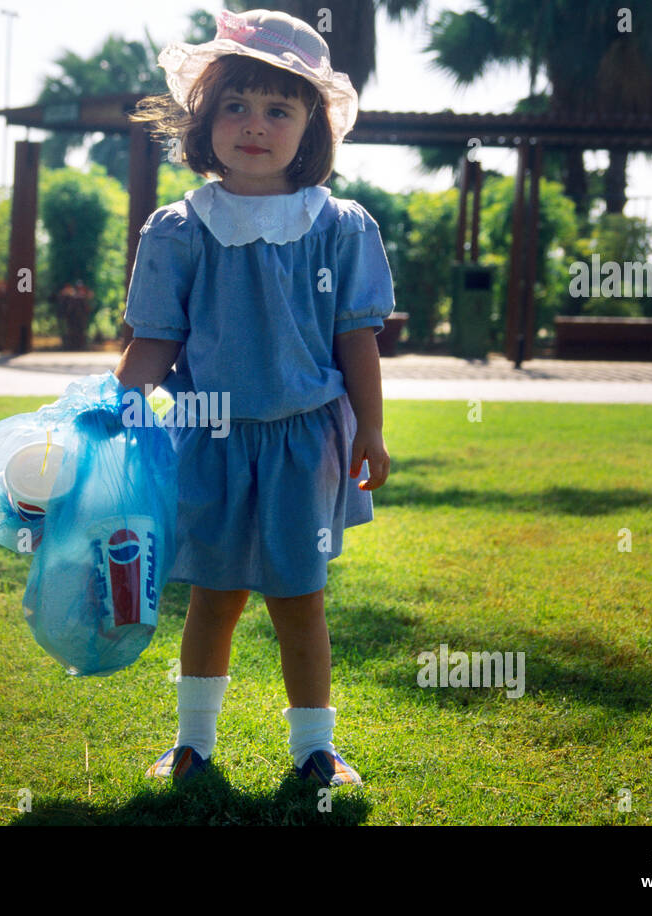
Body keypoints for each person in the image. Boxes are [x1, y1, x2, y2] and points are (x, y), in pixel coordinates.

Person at [113, 8, 395, 788]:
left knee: (300, 600)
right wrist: (107, 413)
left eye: (280, 108)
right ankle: (192, 746)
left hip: (306, 443)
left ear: (312, 127)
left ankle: (315, 749)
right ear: (203, 121)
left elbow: (357, 341)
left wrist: (371, 430)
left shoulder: (340, 227)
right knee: (214, 597)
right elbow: (155, 341)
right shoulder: (179, 229)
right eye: (234, 105)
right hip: (210, 438)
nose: (255, 125)